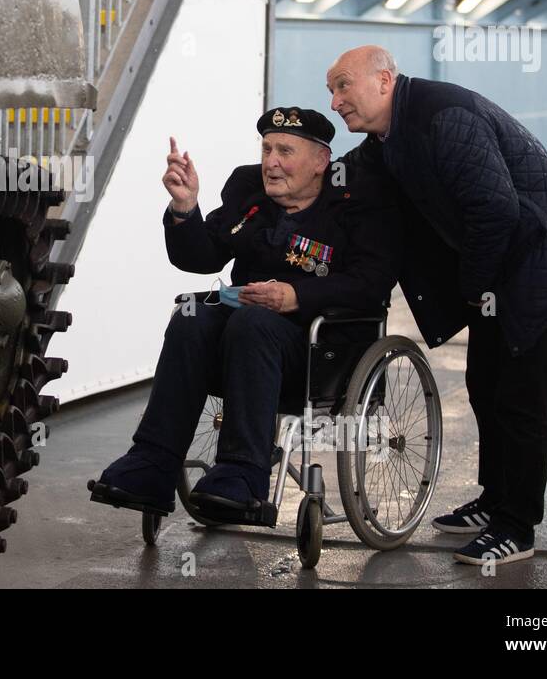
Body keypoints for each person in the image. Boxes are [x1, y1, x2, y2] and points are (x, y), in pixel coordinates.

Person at [327, 45, 547, 565]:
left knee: (519, 397)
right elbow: (347, 177)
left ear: (384, 80)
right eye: (332, 91)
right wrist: (283, 175)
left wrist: (474, 288)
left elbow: (495, 209)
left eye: (343, 86)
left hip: (541, 259)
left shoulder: (442, 116)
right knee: (485, 382)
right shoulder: (389, 134)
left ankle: (517, 526)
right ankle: (495, 499)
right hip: (502, 269)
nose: (335, 101)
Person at [87, 107, 398, 524]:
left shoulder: (355, 198)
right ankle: (153, 463)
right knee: (191, 313)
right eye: (267, 148)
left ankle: (243, 474)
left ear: (322, 161)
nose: (271, 162)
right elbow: (202, 256)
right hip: (244, 334)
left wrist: (296, 295)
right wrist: (185, 209)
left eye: (285, 151)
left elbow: (372, 282)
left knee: (252, 323)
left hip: (320, 346)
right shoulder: (248, 188)